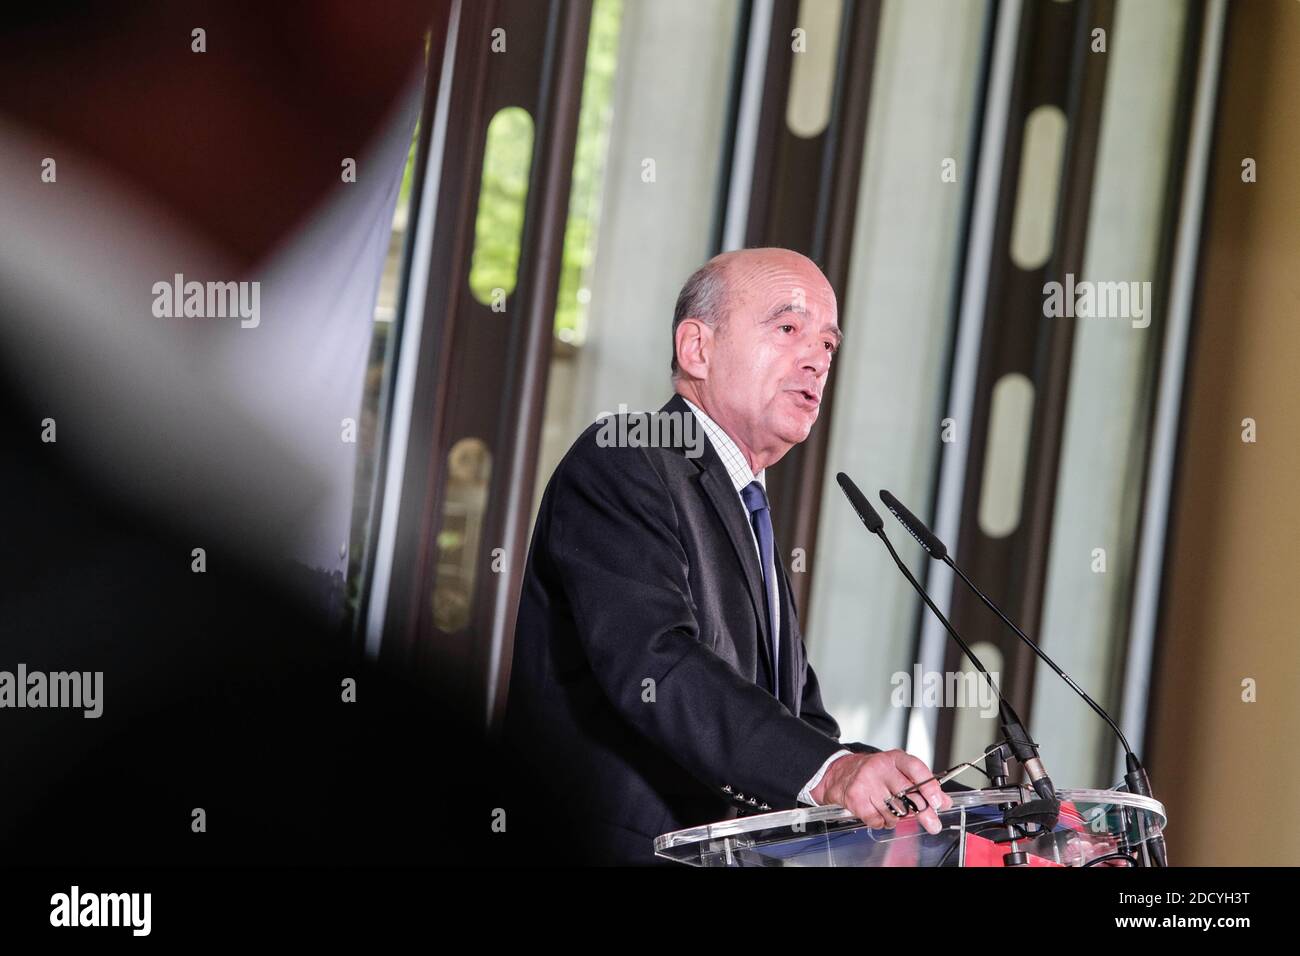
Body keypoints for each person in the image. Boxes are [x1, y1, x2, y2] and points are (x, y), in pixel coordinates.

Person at [505, 247, 952, 865]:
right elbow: (655, 664)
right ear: (697, 349)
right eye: (788, 328)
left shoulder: (748, 507)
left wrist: (922, 801)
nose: (815, 360)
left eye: (828, 344)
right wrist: (830, 772)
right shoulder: (628, 456)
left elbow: (803, 729)